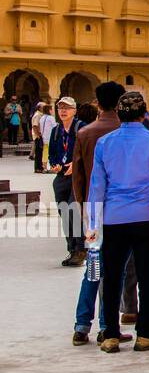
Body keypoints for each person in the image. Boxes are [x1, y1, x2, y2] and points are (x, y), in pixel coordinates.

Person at [86, 91, 149, 353]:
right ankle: (145, 334)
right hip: (144, 218)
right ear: (143, 113)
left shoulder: (105, 143)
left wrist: (94, 223)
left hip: (113, 219)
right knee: (147, 276)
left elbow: (97, 188)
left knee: (112, 276)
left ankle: (111, 334)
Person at [71, 80, 138, 346]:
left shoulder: (85, 133)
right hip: (123, 211)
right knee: (117, 272)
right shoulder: (129, 132)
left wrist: (85, 211)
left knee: (94, 269)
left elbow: (78, 178)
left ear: (97, 103)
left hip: (94, 210)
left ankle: (81, 324)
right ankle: (106, 325)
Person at [46, 97, 84, 266]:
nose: (63, 110)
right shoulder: (56, 131)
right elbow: (52, 153)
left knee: (73, 211)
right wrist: (55, 164)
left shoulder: (81, 128)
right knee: (64, 212)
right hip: (61, 177)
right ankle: (72, 249)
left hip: (77, 177)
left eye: (67, 108)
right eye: (60, 107)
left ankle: (81, 248)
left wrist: (75, 165)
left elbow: (87, 151)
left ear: (74, 111)